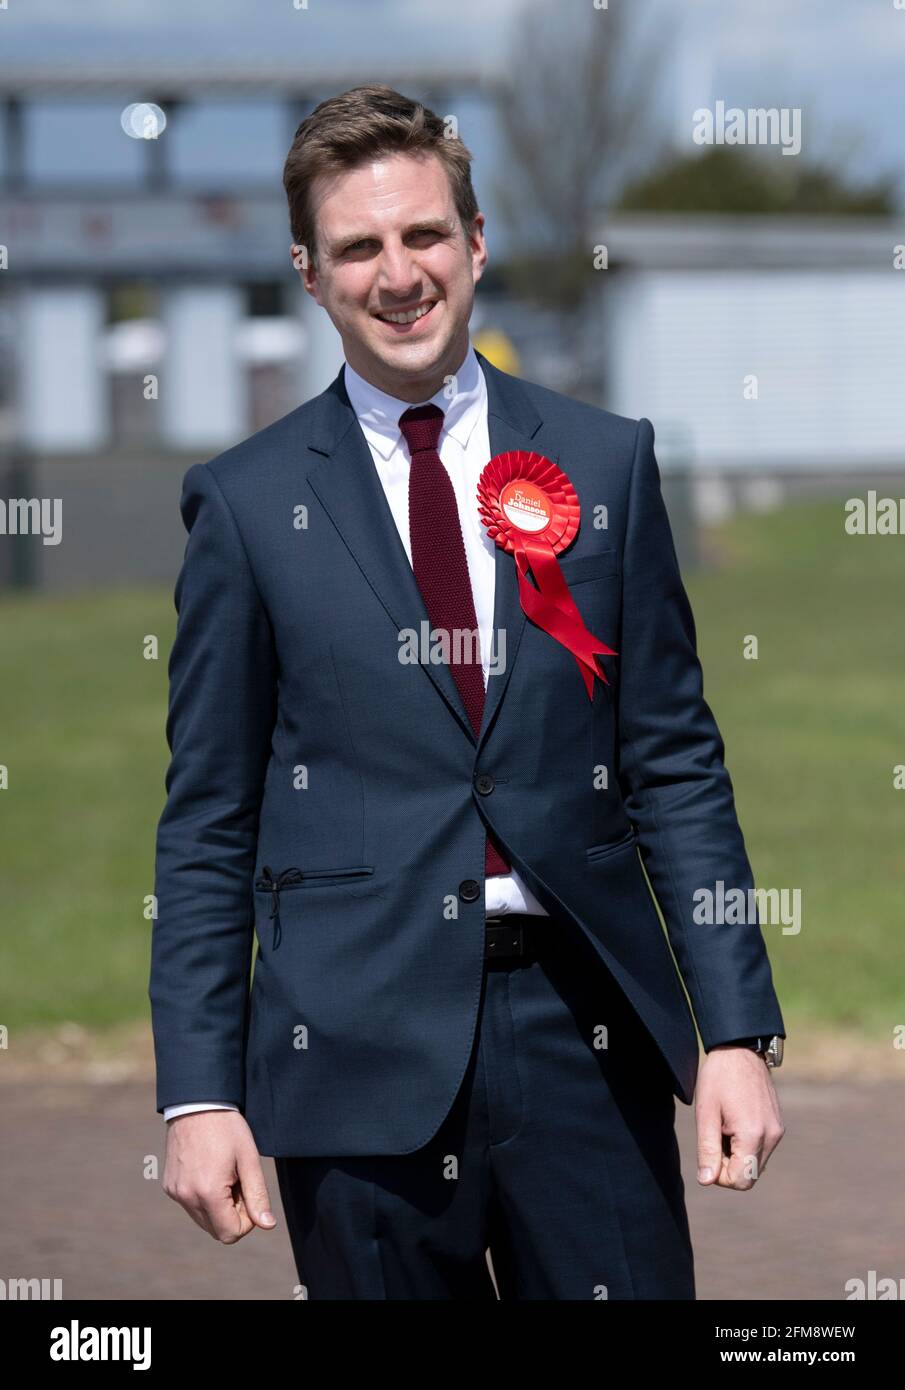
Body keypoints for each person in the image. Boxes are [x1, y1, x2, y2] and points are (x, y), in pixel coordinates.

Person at [150, 84, 786, 1300]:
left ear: (477, 239)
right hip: (352, 1055)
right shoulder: (244, 504)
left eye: (424, 234)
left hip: (584, 1042)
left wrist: (735, 1033)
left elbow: (671, 760)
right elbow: (208, 821)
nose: (399, 273)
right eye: (359, 246)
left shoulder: (607, 464)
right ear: (309, 271)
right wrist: (197, 1091)